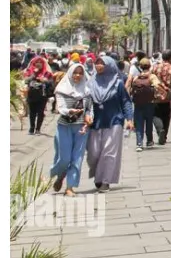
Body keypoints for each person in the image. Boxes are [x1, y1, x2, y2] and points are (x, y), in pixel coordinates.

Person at [85, 56, 134, 192]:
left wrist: (129, 119)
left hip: (114, 121)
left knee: (109, 152)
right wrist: (86, 115)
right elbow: (85, 102)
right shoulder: (90, 83)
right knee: (93, 153)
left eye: (102, 63)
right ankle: (98, 175)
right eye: (97, 63)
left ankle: (105, 181)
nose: (98, 66)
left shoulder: (117, 83)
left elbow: (125, 101)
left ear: (110, 66)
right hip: (95, 122)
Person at [50, 63, 92, 196]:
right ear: (70, 73)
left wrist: (89, 118)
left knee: (77, 158)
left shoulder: (87, 90)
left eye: (80, 73)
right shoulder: (61, 89)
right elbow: (60, 107)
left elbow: (90, 108)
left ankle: (70, 186)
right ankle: (58, 174)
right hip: (64, 127)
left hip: (81, 128)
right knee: (64, 158)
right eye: (75, 72)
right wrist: (70, 111)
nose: (78, 75)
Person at [126, 58, 158, 151]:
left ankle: (139, 143)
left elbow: (132, 90)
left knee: (139, 123)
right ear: (149, 66)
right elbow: (157, 86)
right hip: (149, 103)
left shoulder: (137, 77)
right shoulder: (152, 76)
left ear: (140, 67)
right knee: (149, 122)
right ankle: (149, 141)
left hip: (138, 104)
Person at [23, 56, 55, 135]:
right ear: (34, 63)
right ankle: (31, 128)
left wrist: (45, 80)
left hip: (42, 96)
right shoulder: (29, 71)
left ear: (43, 64)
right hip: (31, 95)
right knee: (32, 113)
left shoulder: (47, 73)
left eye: (40, 62)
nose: (38, 64)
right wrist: (34, 74)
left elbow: (51, 83)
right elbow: (26, 80)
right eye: (37, 62)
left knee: (40, 113)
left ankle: (38, 129)